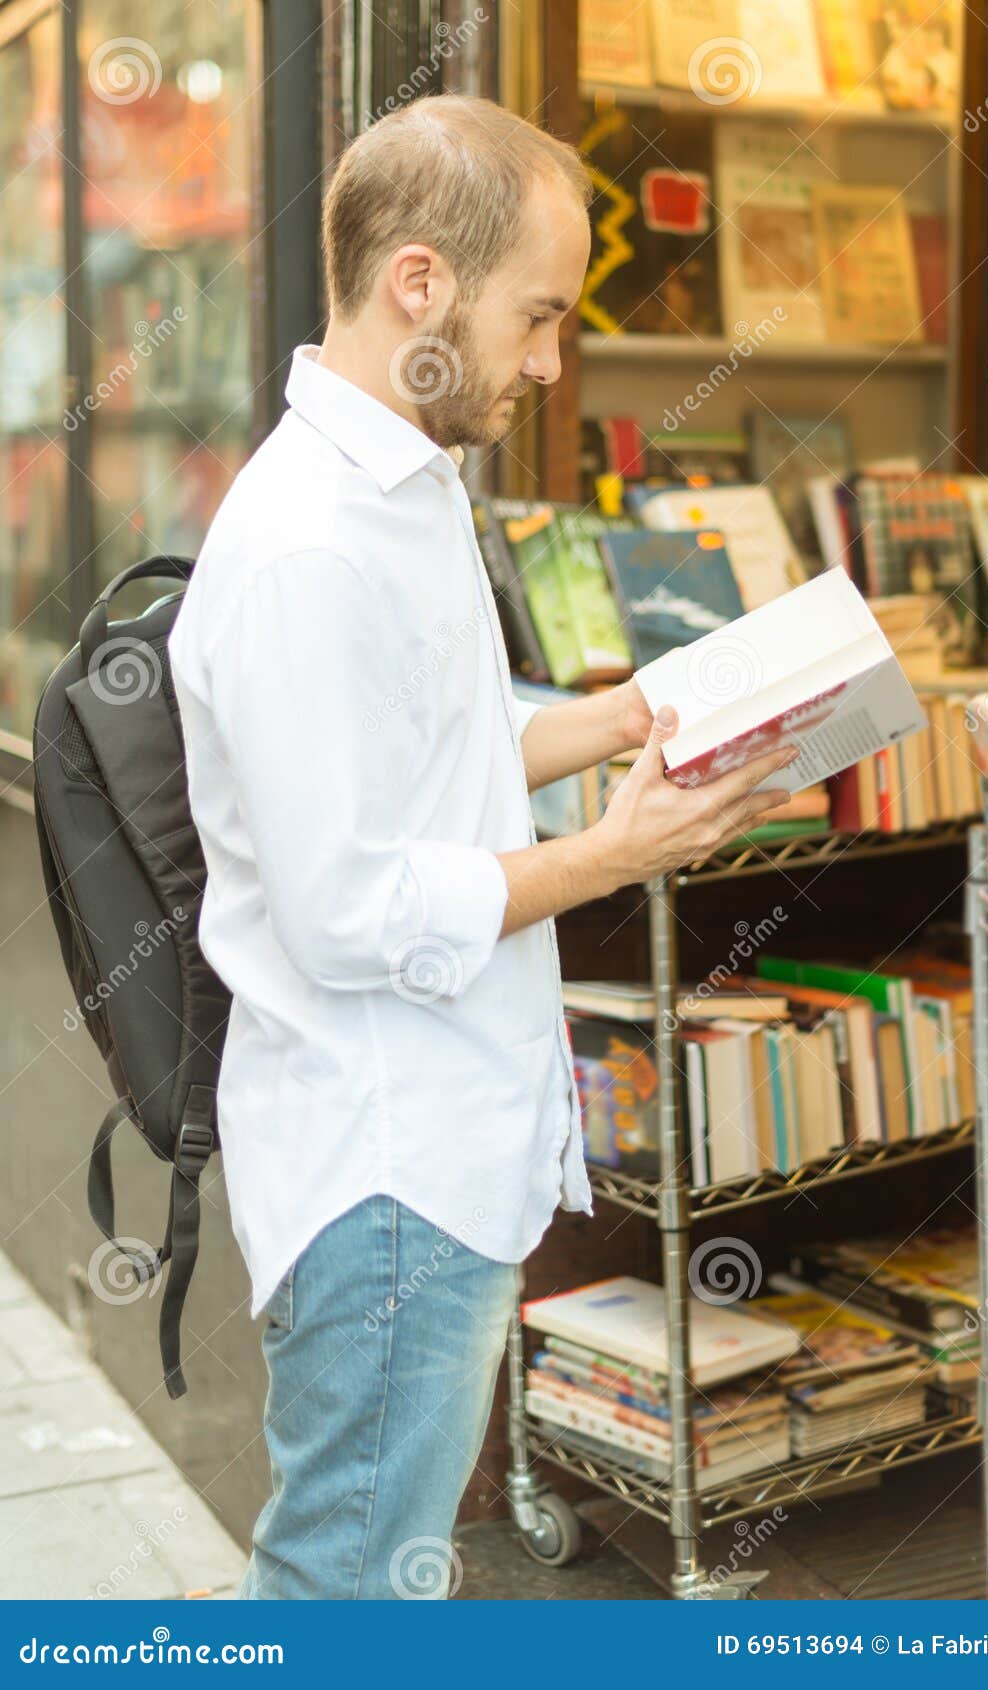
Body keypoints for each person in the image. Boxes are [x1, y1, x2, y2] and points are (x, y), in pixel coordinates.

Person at [169, 93, 797, 1601]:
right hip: (389, 1169)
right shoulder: (314, 544)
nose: (547, 361)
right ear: (419, 288)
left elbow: (426, 767)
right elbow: (342, 905)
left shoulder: (403, 492)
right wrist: (611, 854)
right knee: (348, 1578)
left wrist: (622, 717)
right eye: (537, 315)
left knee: (385, 1568)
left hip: (437, 1144)